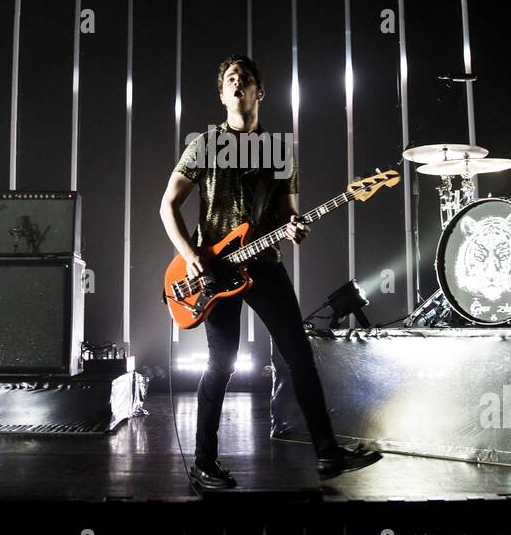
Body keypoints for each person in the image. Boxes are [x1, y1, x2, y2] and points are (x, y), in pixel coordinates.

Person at [159, 56, 381, 490]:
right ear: (222, 94)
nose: (237, 82)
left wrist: (296, 228)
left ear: (260, 93)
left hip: (264, 265)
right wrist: (190, 255)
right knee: (220, 364)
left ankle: (328, 455)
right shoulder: (203, 145)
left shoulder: (281, 151)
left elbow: (289, 214)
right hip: (215, 272)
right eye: (229, 78)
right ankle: (204, 463)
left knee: (299, 356)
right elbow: (167, 205)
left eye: (246, 78)